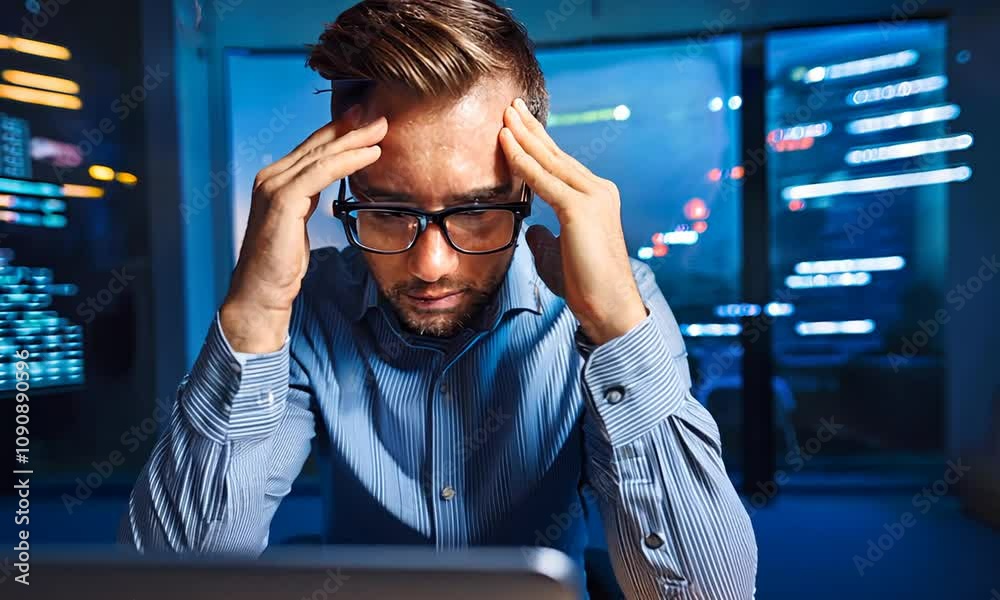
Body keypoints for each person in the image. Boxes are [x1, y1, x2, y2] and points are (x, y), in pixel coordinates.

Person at [119, 1, 757, 597]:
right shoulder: (308, 306)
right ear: (346, 190)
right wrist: (253, 315)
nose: (430, 265)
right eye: (388, 210)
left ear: (530, 191)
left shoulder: (613, 303)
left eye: (478, 210)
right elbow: (168, 583)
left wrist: (616, 328)